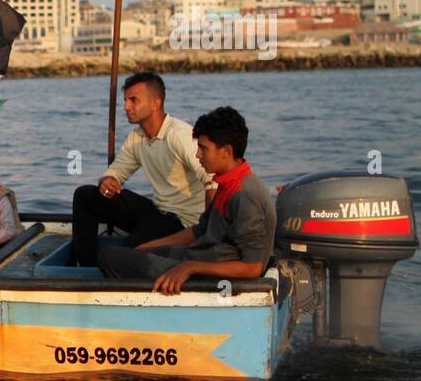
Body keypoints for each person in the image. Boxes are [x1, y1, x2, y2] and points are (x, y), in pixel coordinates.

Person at [98, 106, 276, 294]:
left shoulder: (244, 195)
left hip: (207, 273)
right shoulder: (226, 183)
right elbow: (201, 231)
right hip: (198, 255)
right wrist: (150, 245)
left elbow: (252, 268)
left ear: (226, 151)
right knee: (134, 251)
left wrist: (190, 267)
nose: (198, 155)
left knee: (109, 256)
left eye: (203, 148)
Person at [71, 72, 215, 266]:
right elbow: (117, 171)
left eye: (133, 100)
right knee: (85, 195)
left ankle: (105, 270)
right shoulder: (137, 137)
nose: (126, 107)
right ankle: (84, 266)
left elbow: (212, 179)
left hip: (182, 222)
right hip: (157, 211)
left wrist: (208, 231)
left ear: (155, 103)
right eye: (125, 101)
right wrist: (108, 182)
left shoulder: (179, 134)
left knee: (119, 257)